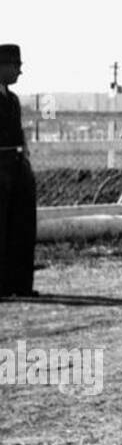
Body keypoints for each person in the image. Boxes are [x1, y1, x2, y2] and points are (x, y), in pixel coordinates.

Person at [0, 44, 37, 298]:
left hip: (16, 165)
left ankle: (19, 284)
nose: (19, 72)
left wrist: (24, 158)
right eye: (15, 66)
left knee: (22, 225)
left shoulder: (12, 99)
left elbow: (19, 133)